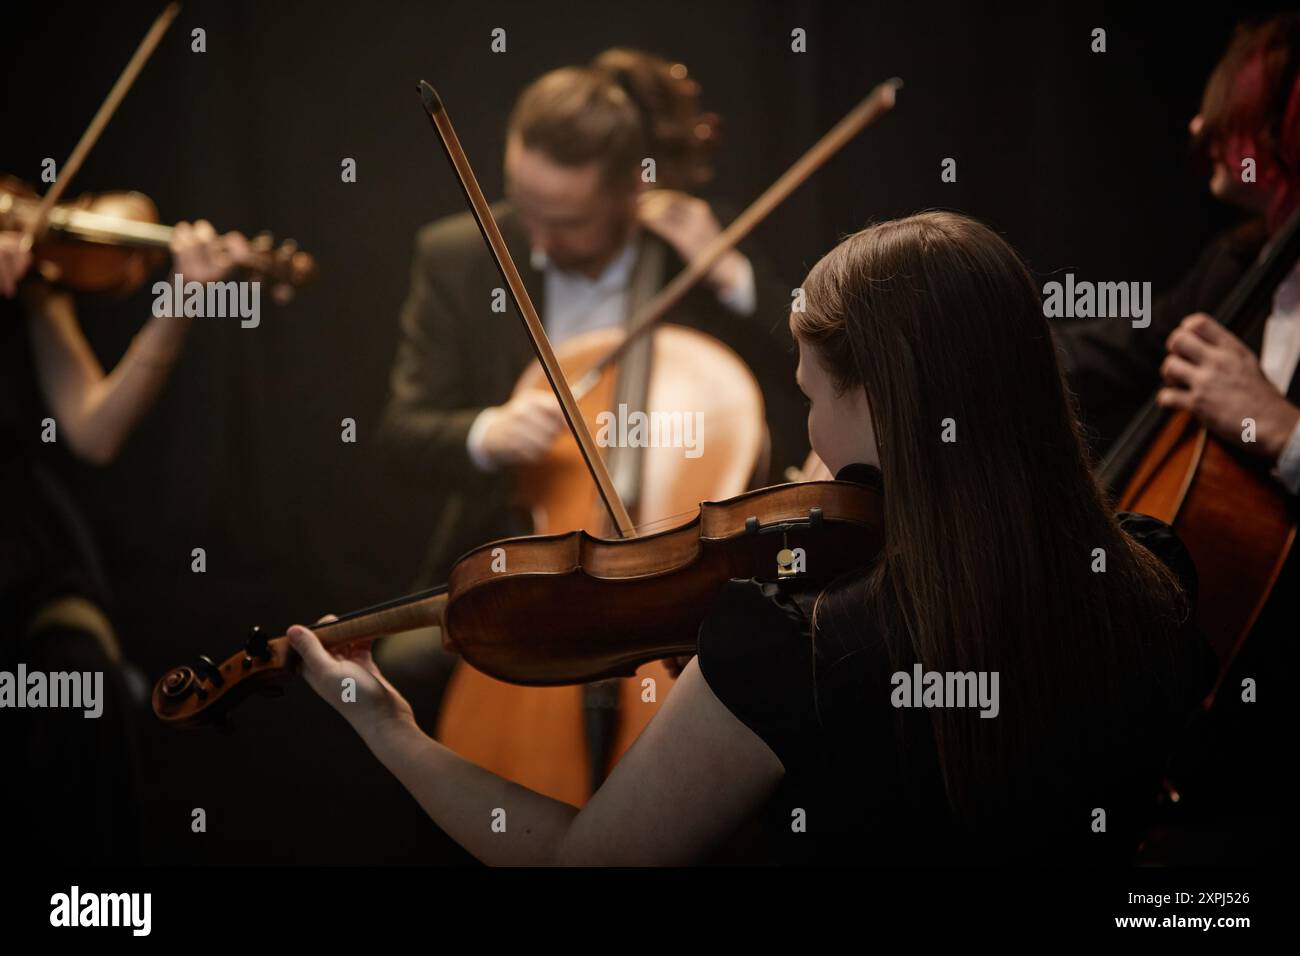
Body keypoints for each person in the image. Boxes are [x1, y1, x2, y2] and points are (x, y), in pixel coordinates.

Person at [290, 211, 1214, 865]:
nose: (802, 449)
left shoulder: (798, 646)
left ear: (885, 407)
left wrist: (388, 727)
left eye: (811, 403)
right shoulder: (1153, 576)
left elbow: (585, 862)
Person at [374, 48, 802, 731]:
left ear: (634, 190)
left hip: (678, 581)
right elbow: (400, 434)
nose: (536, 242)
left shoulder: (700, 245)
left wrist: (734, 278)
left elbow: (808, 379)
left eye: (568, 222)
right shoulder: (457, 255)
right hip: (519, 572)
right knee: (402, 670)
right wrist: (490, 431)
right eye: (526, 206)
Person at [1056, 13, 1299, 861]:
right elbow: (1099, 355)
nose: (1195, 131)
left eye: (1225, 115)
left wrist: (1285, 431)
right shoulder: (1241, 263)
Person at [0, 221, 245, 864]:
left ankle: (97, 905)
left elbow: (94, 430)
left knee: (84, 676)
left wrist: (178, 306)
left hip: (19, 563)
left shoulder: (31, 275)